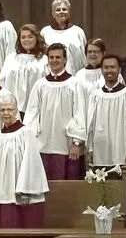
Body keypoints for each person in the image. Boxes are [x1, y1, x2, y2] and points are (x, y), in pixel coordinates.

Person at [24, 43, 86, 180]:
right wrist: (30, 140)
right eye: (51, 57)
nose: (54, 60)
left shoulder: (74, 83)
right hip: (43, 145)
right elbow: (32, 114)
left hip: (67, 145)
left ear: (65, 59)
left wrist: (76, 143)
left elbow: (80, 113)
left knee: (67, 187)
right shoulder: (40, 84)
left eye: (58, 57)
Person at [0, 93, 49, 228]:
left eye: (9, 109)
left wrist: (25, 189)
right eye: (2, 110)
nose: (6, 113)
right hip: (2, 193)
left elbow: (31, 162)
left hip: (21, 196)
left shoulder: (25, 132)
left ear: (16, 110)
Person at [84, 55, 126, 167]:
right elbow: (90, 123)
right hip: (100, 146)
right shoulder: (95, 95)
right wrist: (89, 148)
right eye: (106, 67)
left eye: (113, 67)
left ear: (119, 69)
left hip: (122, 146)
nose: (109, 70)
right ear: (101, 70)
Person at [0, 24, 47, 113]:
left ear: (37, 38)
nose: (26, 40)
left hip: (36, 108)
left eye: (30, 37)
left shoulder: (44, 60)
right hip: (12, 109)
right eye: (23, 37)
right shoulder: (11, 58)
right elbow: (2, 81)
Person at [40, 0, 88, 74]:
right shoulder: (45, 32)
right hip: (51, 76)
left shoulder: (78, 32)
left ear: (69, 13)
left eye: (64, 9)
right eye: (58, 10)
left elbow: (84, 56)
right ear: (53, 14)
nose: (61, 12)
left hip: (74, 75)